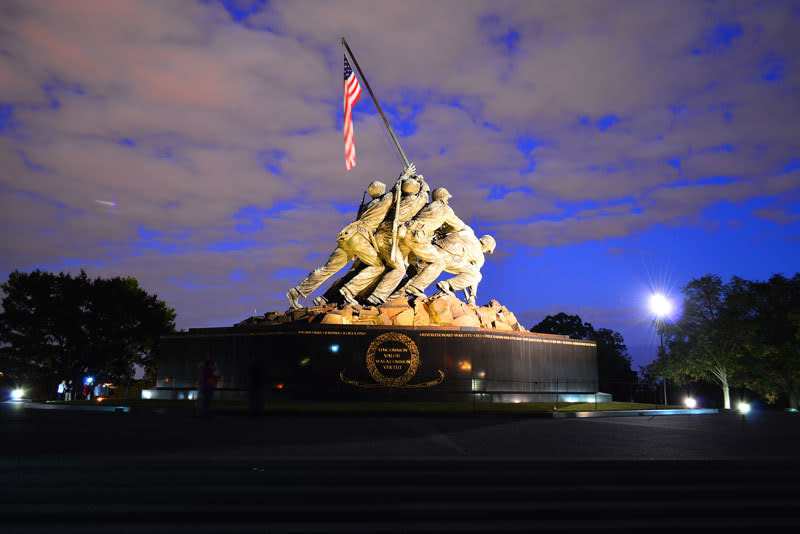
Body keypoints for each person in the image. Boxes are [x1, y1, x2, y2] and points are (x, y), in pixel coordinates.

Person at [285, 174, 405, 309]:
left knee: (327, 269)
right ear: (381, 191)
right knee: (379, 267)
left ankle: (297, 291)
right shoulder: (382, 202)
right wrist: (403, 177)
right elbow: (395, 191)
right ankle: (349, 291)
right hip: (359, 238)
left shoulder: (366, 206)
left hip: (346, 236)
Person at [339, 173, 429, 305]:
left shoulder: (396, 202)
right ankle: (374, 296)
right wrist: (420, 180)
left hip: (377, 237)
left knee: (381, 267)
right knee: (398, 269)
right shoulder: (414, 202)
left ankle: (358, 293)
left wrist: (407, 179)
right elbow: (425, 193)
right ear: (415, 190)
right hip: (388, 239)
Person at [366, 186, 465, 304]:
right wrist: (443, 231)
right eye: (447, 198)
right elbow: (459, 226)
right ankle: (415, 288)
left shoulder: (427, 206)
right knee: (439, 262)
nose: (447, 200)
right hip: (417, 237)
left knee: (400, 267)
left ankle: (378, 296)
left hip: (404, 234)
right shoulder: (445, 209)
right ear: (442, 198)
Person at [393, 227, 495, 305]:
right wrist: (472, 297)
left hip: (433, 249)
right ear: (486, 248)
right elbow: (473, 278)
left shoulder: (467, 231)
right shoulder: (479, 256)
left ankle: (392, 296)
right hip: (447, 258)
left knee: (416, 277)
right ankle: (447, 285)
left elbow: (446, 228)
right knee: (476, 275)